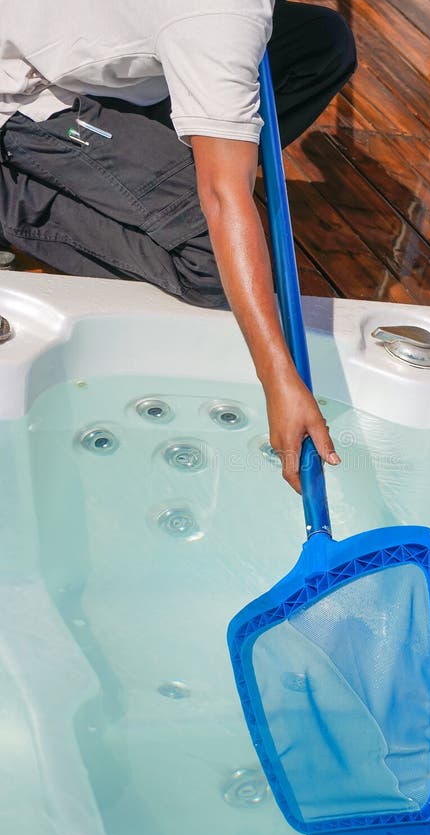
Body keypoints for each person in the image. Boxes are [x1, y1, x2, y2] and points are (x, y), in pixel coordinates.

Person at [0, 0, 356, 492]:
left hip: (105, 54)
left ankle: (182, 148)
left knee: (322, 41)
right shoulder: (220, 19)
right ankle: (17, 194)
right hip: (24, 94)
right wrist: (279, 379)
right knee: (213, 266)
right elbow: (222, 198)